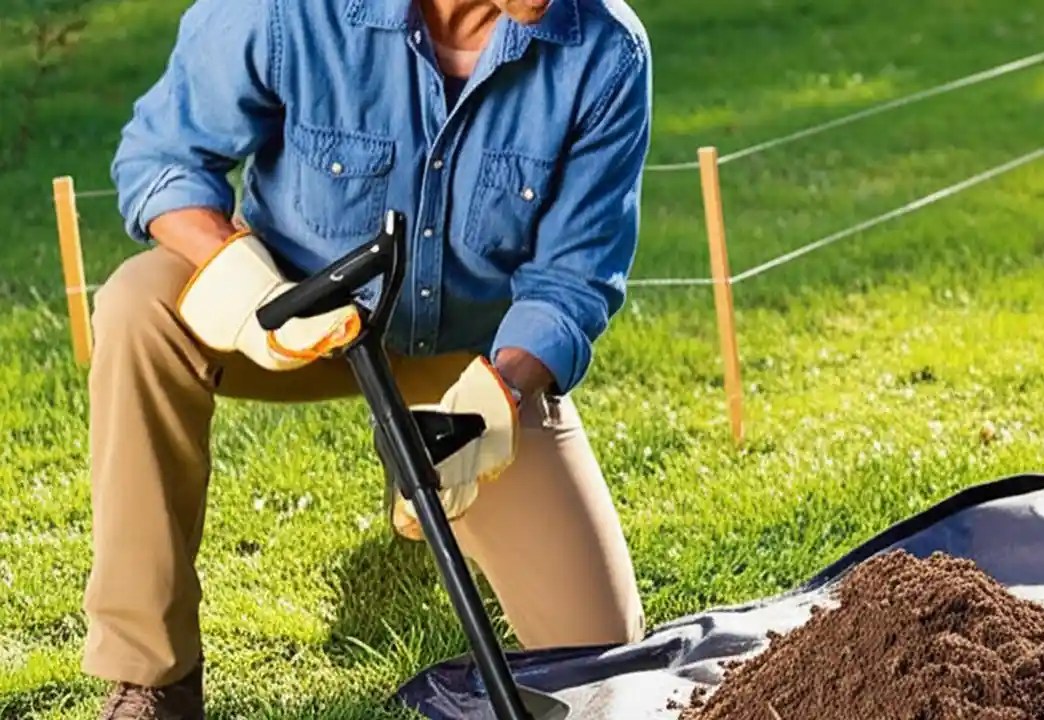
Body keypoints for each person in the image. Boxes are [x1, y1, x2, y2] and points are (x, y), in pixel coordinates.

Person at [87, 0, 652, 716]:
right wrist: (246, 282)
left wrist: (499, 396)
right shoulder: (289, 10)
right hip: (291, 313)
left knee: (602, 666)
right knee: (139, 306)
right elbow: (161, 158)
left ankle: (423, 455)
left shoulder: (604, 51)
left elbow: (571, 280)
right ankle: (151, 676)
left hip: (469, 359)